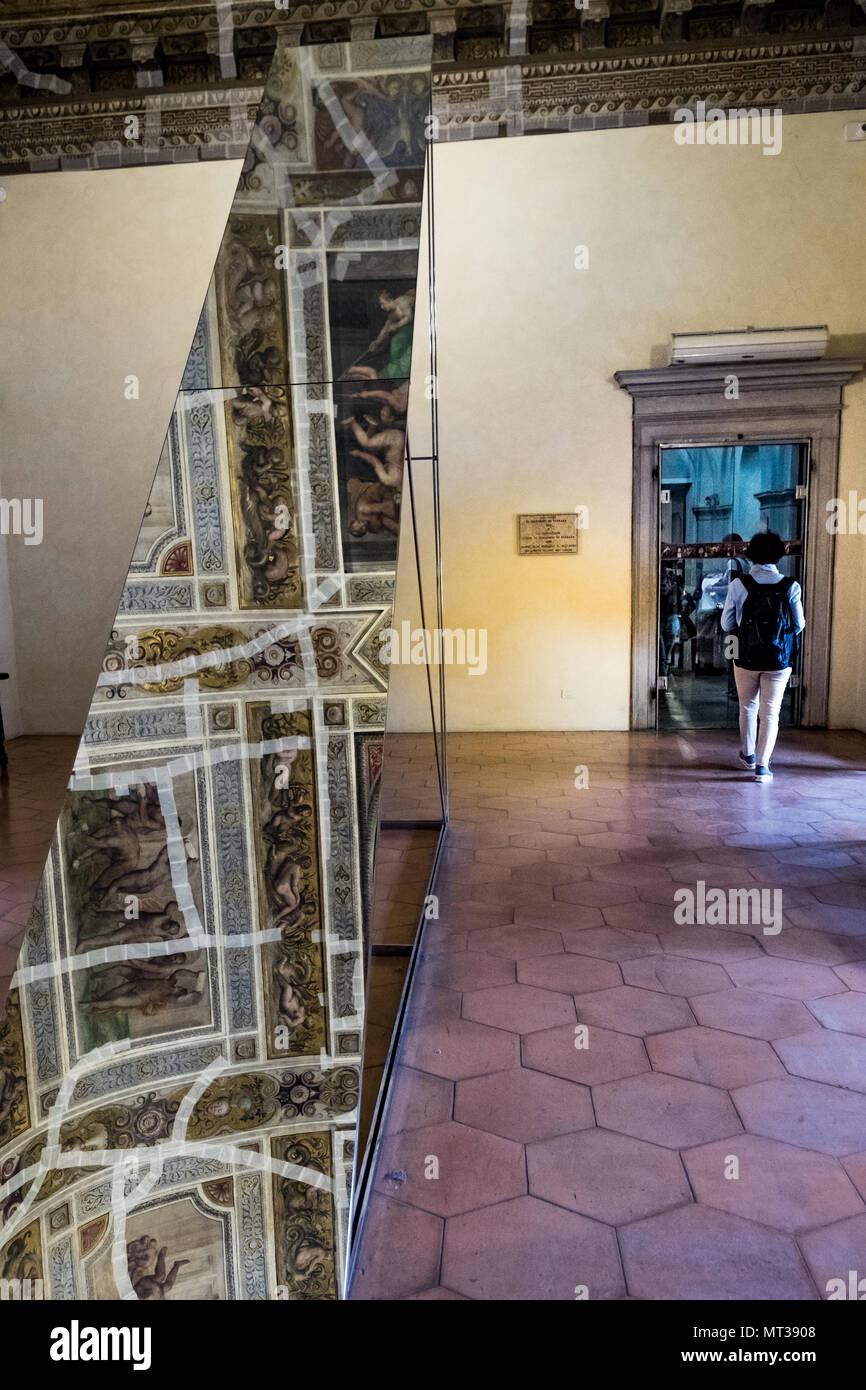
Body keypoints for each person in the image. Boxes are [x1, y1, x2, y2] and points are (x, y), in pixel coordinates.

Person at [721, 530, 805, 783]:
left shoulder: (739, 584)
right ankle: (763, 765)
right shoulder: (791, 586)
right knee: (771, 712)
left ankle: (747, 754)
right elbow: (799, 624)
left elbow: (727, 625)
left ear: (751, 555)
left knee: (747, 706)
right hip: (779, 658)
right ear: (778, 555)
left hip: (745, 655)